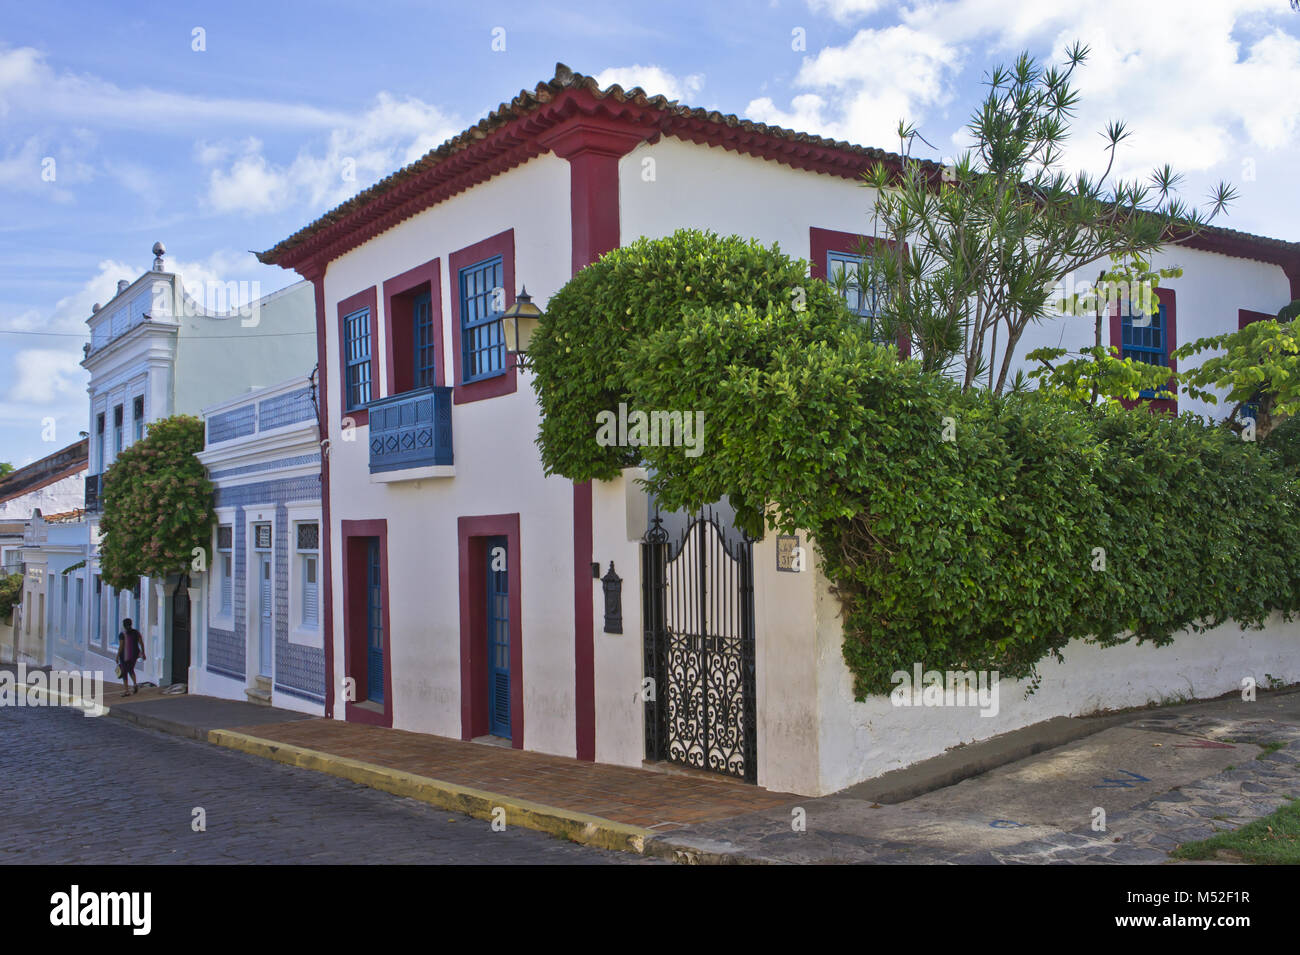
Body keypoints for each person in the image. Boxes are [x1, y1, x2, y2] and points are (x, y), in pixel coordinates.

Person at [116, 618, 146, 695]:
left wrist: (117, 656)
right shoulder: (136, 632)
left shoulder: (122, 634)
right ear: (131, 624)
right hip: (134, 654)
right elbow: (141, 643)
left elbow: (121, 646)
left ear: (124, 625)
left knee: (124, 672)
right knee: (131, 669)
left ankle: (126, 691)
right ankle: (135, 684)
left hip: (125, 655)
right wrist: (143, 653)